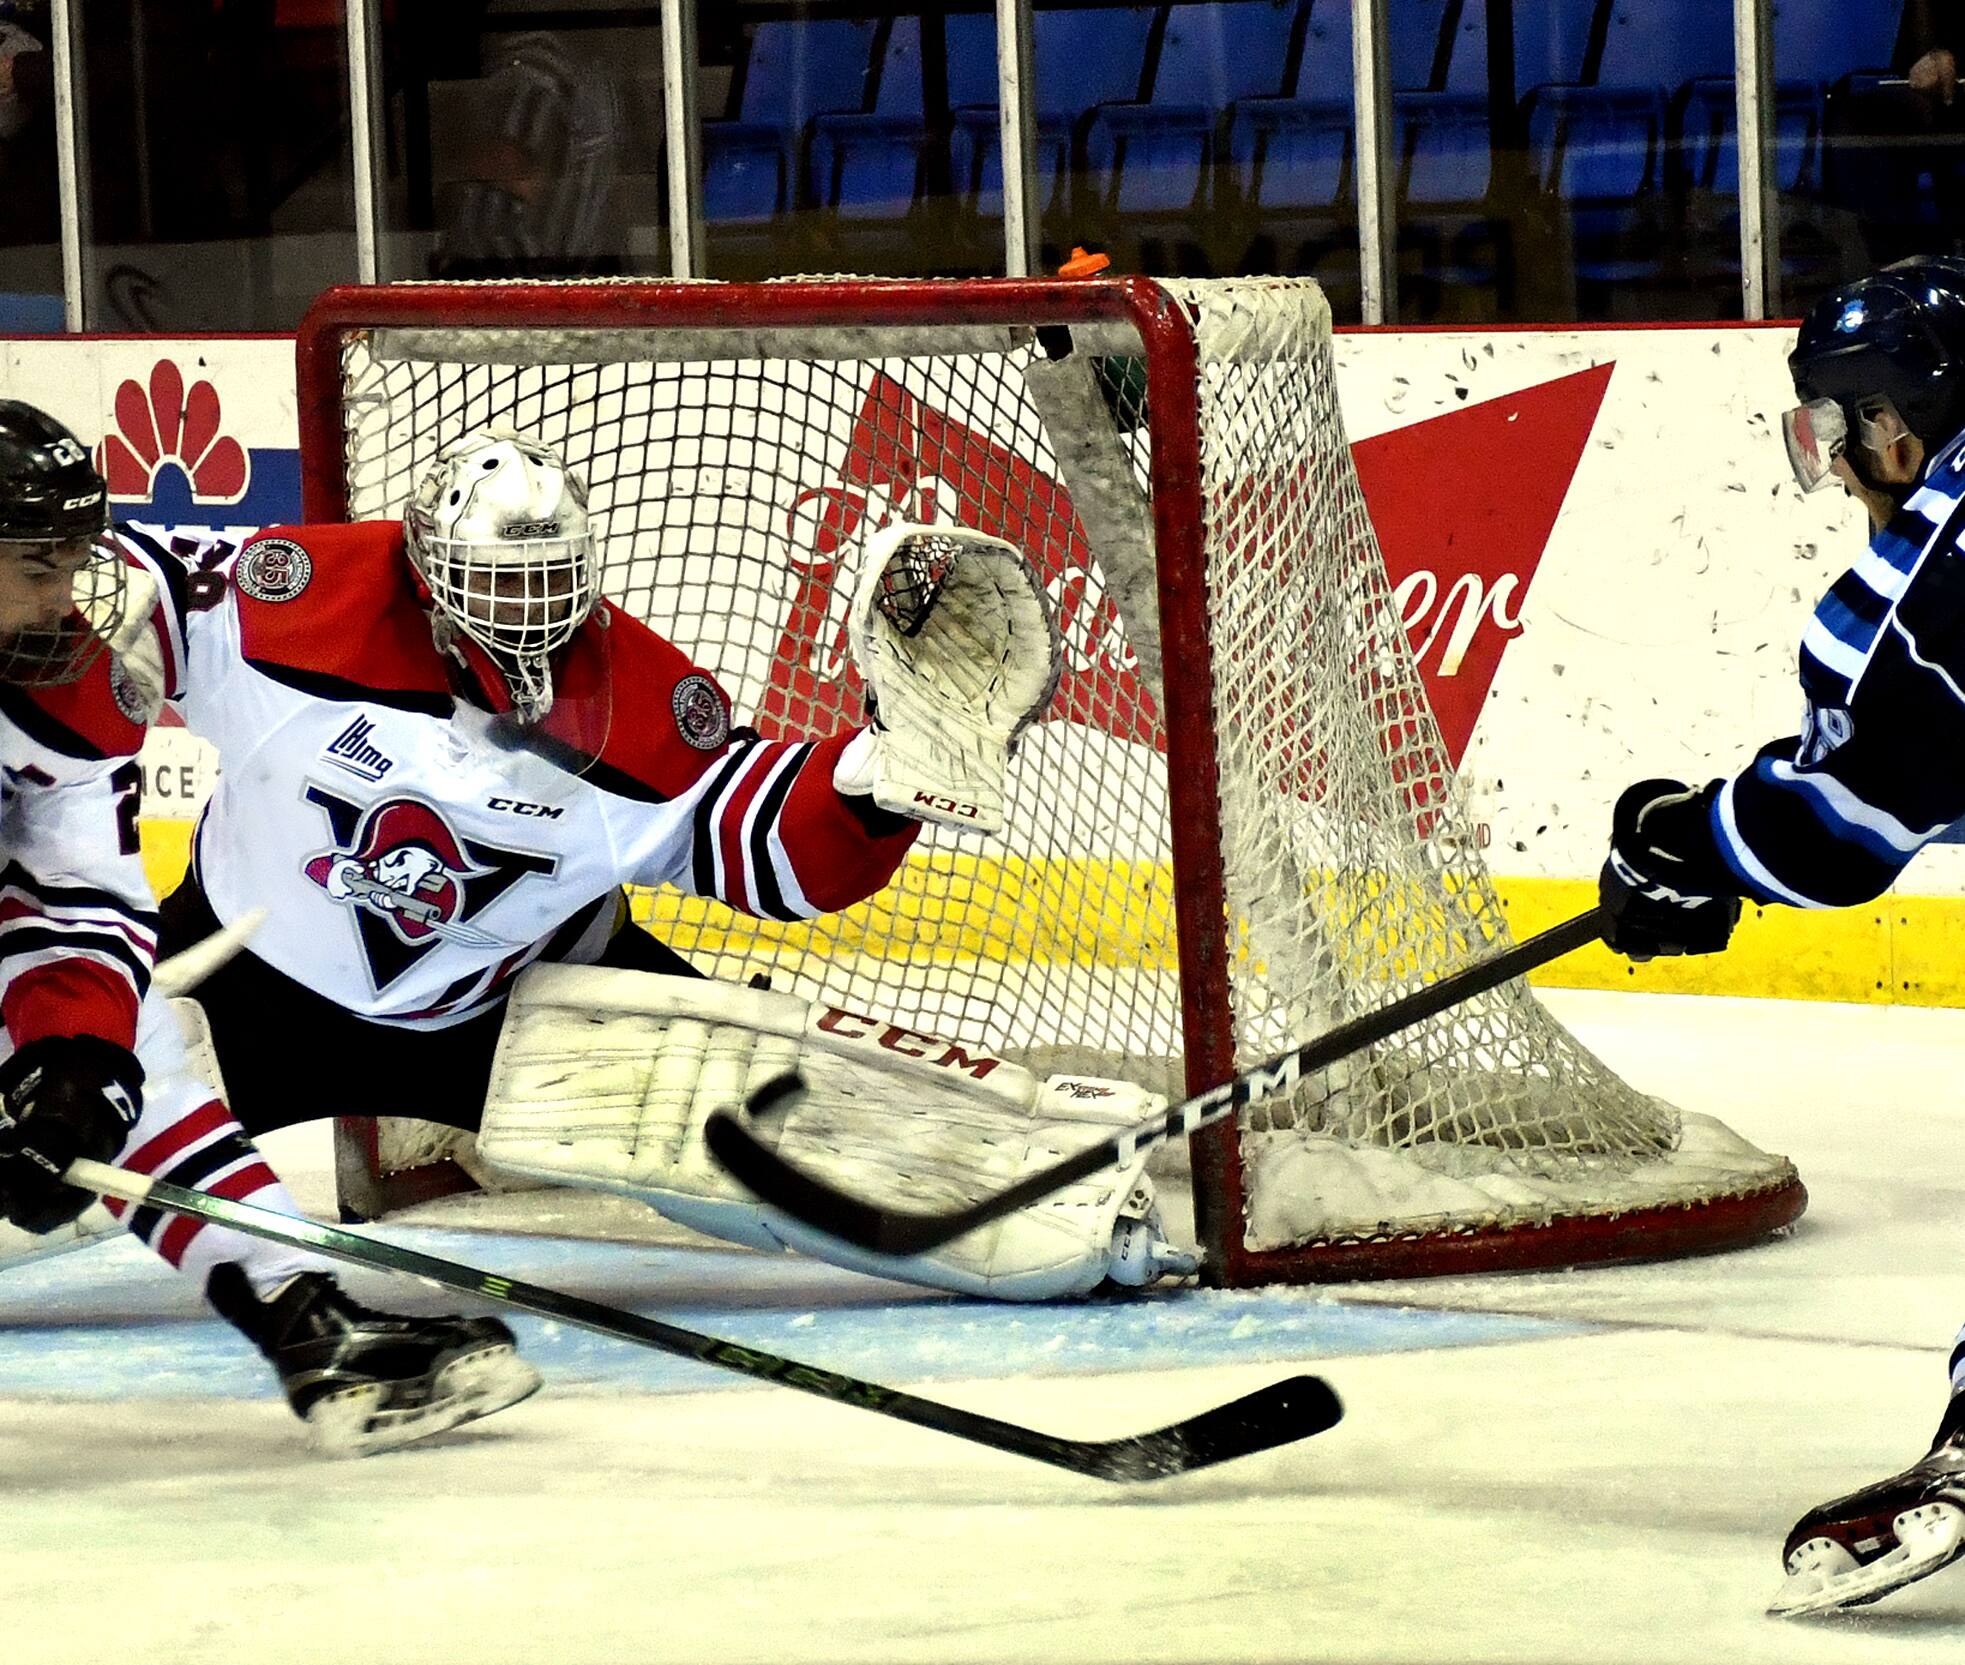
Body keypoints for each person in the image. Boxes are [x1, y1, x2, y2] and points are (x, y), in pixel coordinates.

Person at [118, 428, 1190, 1310]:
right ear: (428, 571)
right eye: (497, 581)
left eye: (547, 582)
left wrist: (878, 771)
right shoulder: (299, 606)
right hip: (237, 974)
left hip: (520, 1009)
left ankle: (1085, 1212)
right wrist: (85, 651)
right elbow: (136, 602)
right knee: (48, 1106)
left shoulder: (638, 702)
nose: (524, 611)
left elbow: (769, 847)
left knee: (781, 1133)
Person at [0, 400, 539, 1457]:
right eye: (36, 568)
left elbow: (75, 898)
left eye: (74, 563)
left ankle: (303, 1319)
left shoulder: (63, 690)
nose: (66, 598)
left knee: (135, 1056)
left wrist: (72, 1059)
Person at [1596, 254, 1965, 1616]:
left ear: (1894, 422)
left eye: (1846, 427)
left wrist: (1690, 844)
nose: (1851, 465)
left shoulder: (1932, 571)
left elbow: (1842, 824)